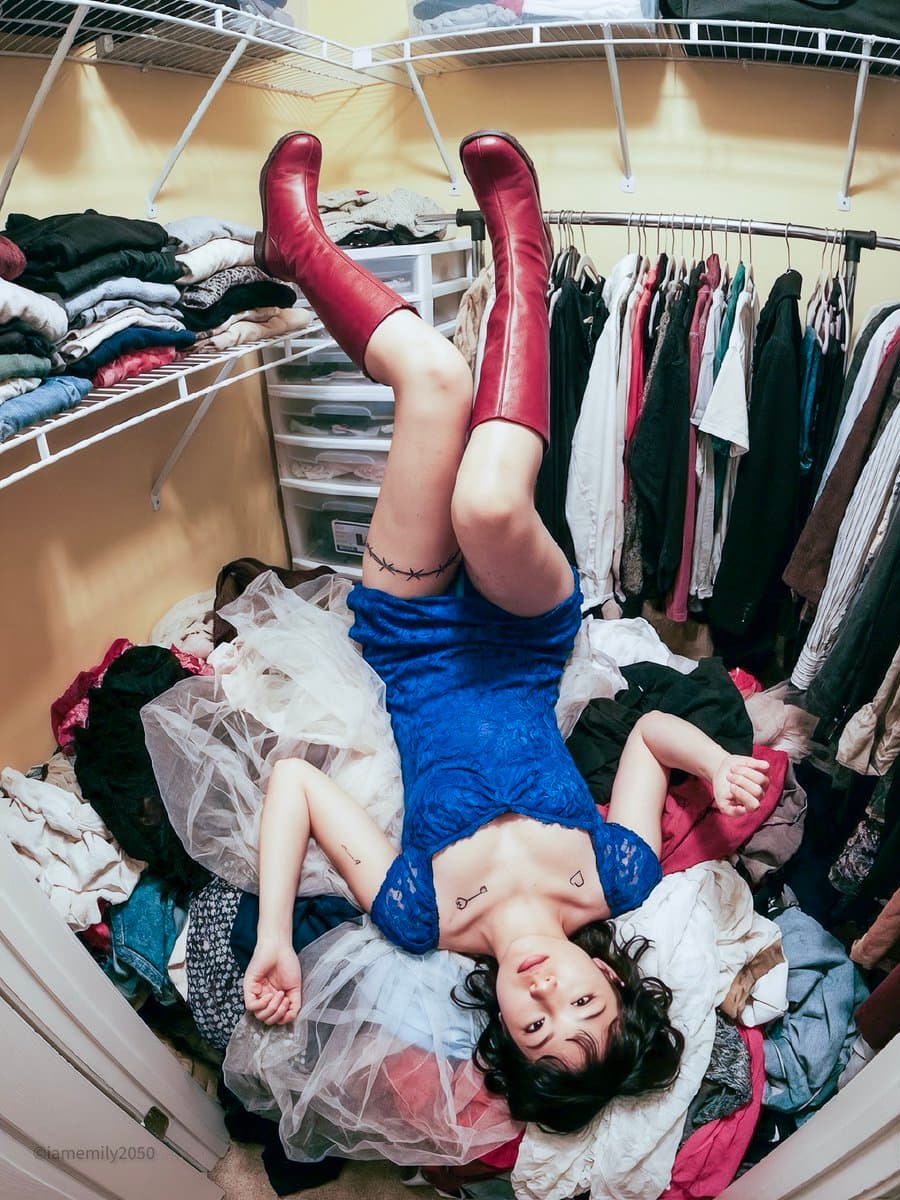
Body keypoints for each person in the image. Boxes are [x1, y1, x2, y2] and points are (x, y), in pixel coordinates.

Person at [241, 129, 771, 1134]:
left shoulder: (419, 919)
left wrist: (275, 934)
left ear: (504, 1033)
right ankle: (519, 239)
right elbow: (654, 739)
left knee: (437, 381)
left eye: (536, 1030)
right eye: (584, 1005)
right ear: (611, 982)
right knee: (489, 505)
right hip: (527, 642)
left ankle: (295, 246)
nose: (548, 998)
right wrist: (714, 761)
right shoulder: (617, 879)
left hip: (414, 644)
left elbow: (297, 788)